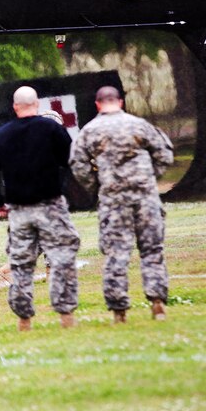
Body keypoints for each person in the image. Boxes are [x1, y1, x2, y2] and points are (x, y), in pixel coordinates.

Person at [70, 85, 173, 324]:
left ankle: (119, 311)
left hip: (113, 200)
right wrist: (149, 179)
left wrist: (97, 186)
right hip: (145, 197)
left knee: (116, 253)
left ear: (97, 104)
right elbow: (164, 154)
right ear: (120, 102)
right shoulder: (139, 125)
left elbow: (78, 164)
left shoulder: (89, 131)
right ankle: (157, 303)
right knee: (152, 250)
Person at [0, 85, 81, 331]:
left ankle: (24, 320)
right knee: (60, 258)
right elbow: (68, 160)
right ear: (36, 104)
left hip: (19, 209)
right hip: (50, 205)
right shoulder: (52, 129)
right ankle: (66, 316)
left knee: (21, 264)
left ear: (15, 106)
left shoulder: (1, 136)